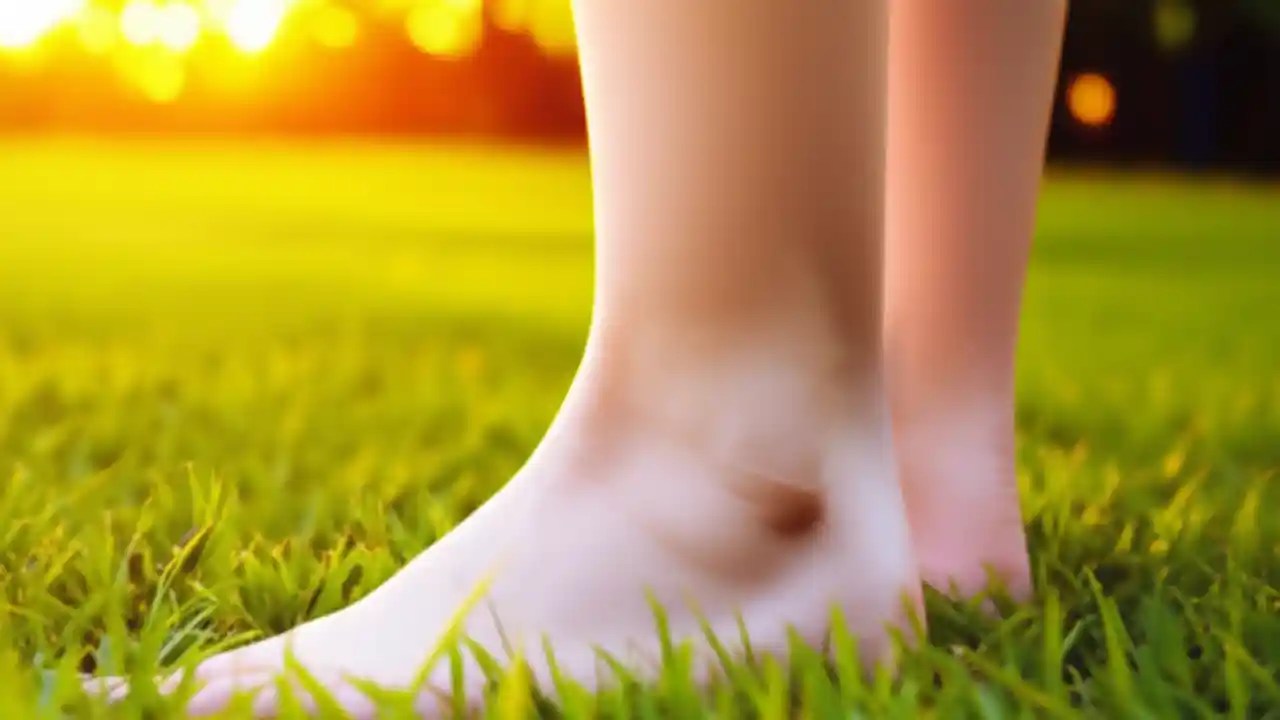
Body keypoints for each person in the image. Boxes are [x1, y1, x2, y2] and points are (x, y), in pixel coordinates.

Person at [100, 0, 1068, 715]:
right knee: (929, 449)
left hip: (749, 504)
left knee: (750, 443)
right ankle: (931, 462)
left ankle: (731, 475)